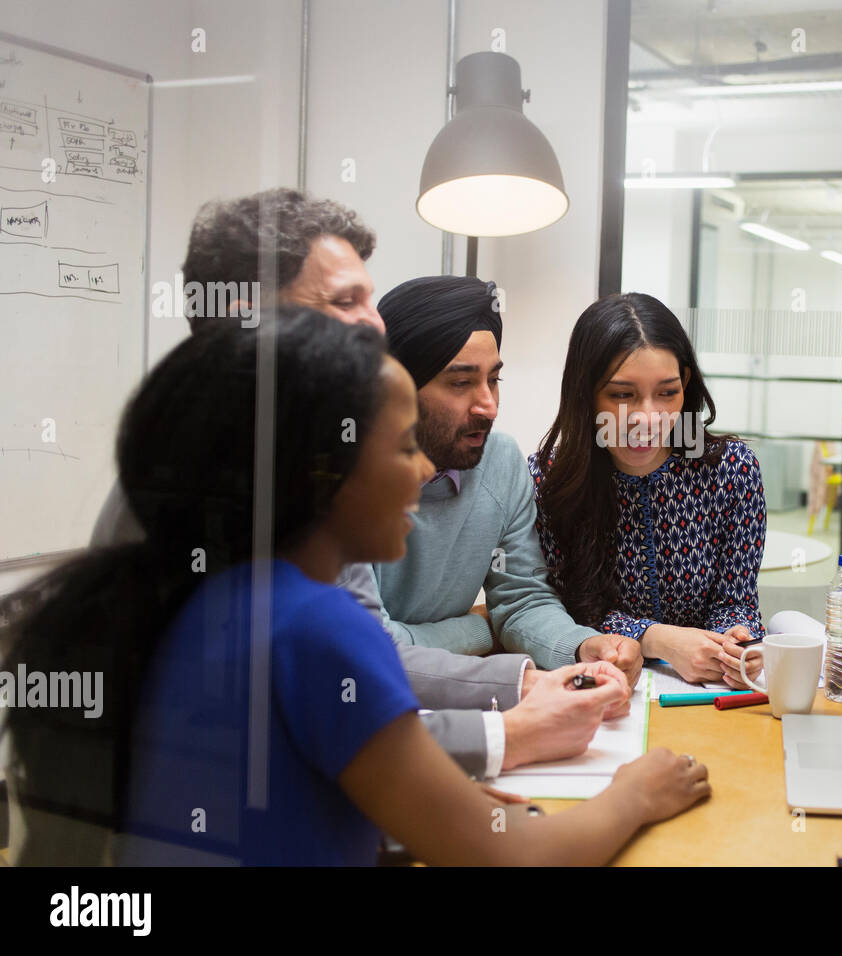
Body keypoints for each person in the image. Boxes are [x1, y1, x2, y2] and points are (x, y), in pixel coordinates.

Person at [0, 310, 709, 866]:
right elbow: (511, 854)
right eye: (404, 447)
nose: (423, 473)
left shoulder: (210, 602)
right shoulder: (318, 627)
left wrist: (412, 815)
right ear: (320, 473)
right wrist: (635, 795)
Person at [85, 189, 622, 783]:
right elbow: (350, 695)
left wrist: (543, 670)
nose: (375, 324)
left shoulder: (296, 459)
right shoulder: (219, 481)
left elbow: (346, 686)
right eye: (346, 300)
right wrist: (511, 729)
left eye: (370, 299)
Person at [371, 277, 643, 688]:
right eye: (461, 382)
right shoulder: (347, 478)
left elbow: (520, 601)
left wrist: (582, 646)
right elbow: (370, 648)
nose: (490, 405)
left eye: (494, 379)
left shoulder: (500, 461)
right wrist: (480, 630)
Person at [528, 293, 767, 689]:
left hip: (706, 693)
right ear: (585, 393)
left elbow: (736, 599)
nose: (647, 418)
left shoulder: (731, 469)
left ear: (685, 385)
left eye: (667, 393)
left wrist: (732, 644)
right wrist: (659, 639)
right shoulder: (548, 480)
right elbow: (556, 611)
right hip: (604, 687)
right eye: (622, 395)